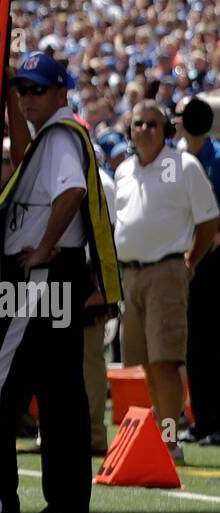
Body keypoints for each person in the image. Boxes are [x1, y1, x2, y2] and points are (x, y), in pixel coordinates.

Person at [0, 54, 120, 513]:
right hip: (57, 277)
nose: (28, 98)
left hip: (40, 278)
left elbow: (70, 193)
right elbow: (25, 152)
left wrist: (44, 249)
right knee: (60, 394)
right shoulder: (55, 134)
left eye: (36, 90)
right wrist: (7, 96)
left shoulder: (61, 137)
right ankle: (65, 511)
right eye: (22, 89)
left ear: (60, 92)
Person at [114, 100, 219, 462]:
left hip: (166, 270)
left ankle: (171, 440)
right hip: (132, 274)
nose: (144, 130)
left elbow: (208, 220)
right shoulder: (125, 170)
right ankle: (164, 433)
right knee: (146, 363)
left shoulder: (179, 166)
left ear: (166, 131)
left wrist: (191, 260)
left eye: (152, 125)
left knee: (166, 361)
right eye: (138, 124)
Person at [174, 97, 220, 446]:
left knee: (212, 342)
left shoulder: (217, 159)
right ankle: (201, 421)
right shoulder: (177, 159)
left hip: (216, 261)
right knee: (194, 344)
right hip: (189, 257)